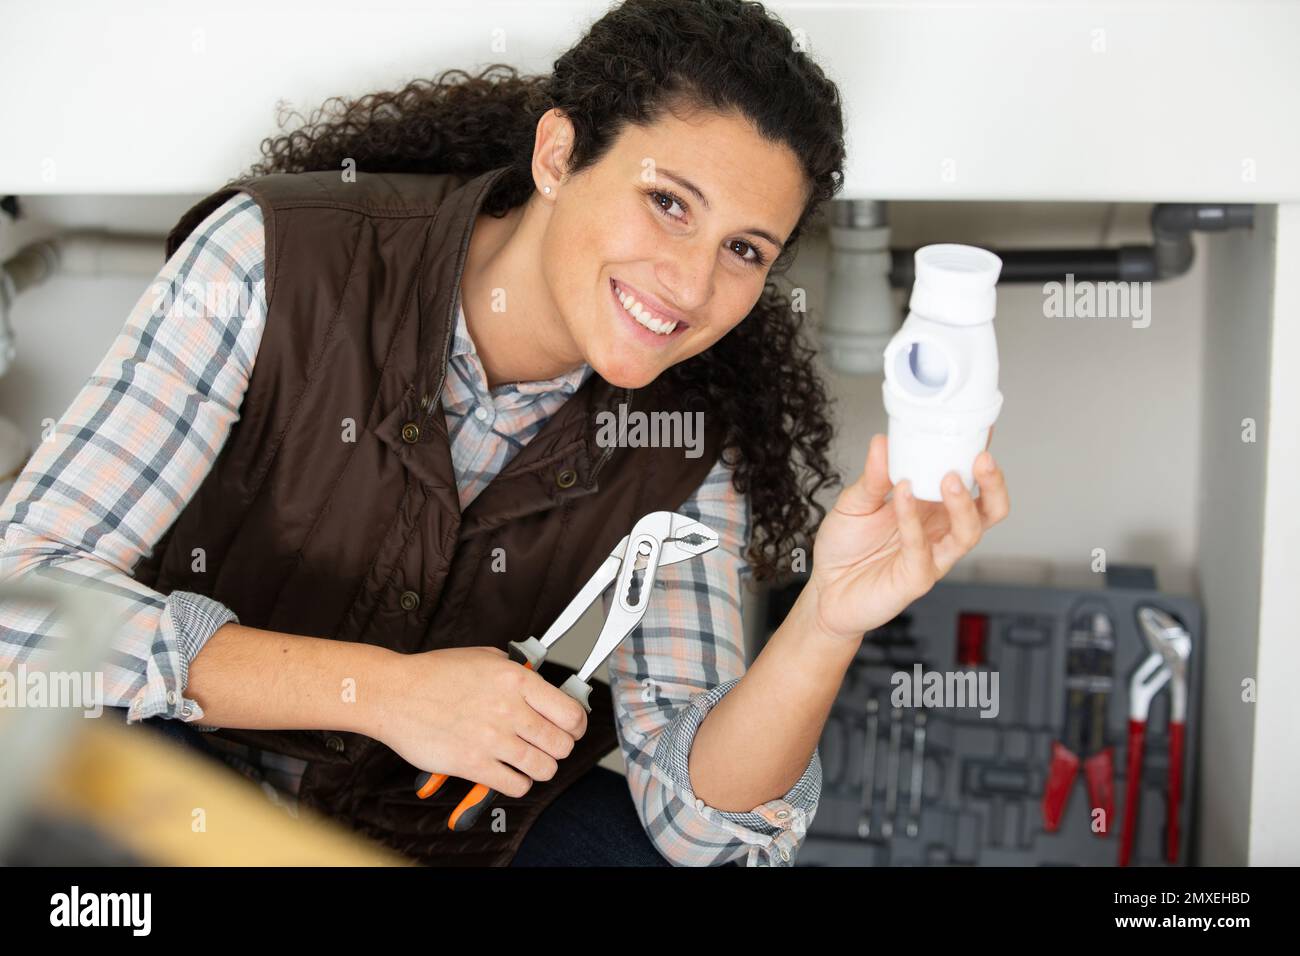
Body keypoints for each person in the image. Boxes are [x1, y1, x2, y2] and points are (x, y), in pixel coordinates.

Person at [0, 0, 1008, 867]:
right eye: (667, 203)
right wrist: (382, 692)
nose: (694, 286)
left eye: (743, 249)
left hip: (423, 828)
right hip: (153, 776)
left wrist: (828, 617)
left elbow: (701, 825)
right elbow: (23, 610)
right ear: (559, 153)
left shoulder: (689, 435)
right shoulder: (267, 261)